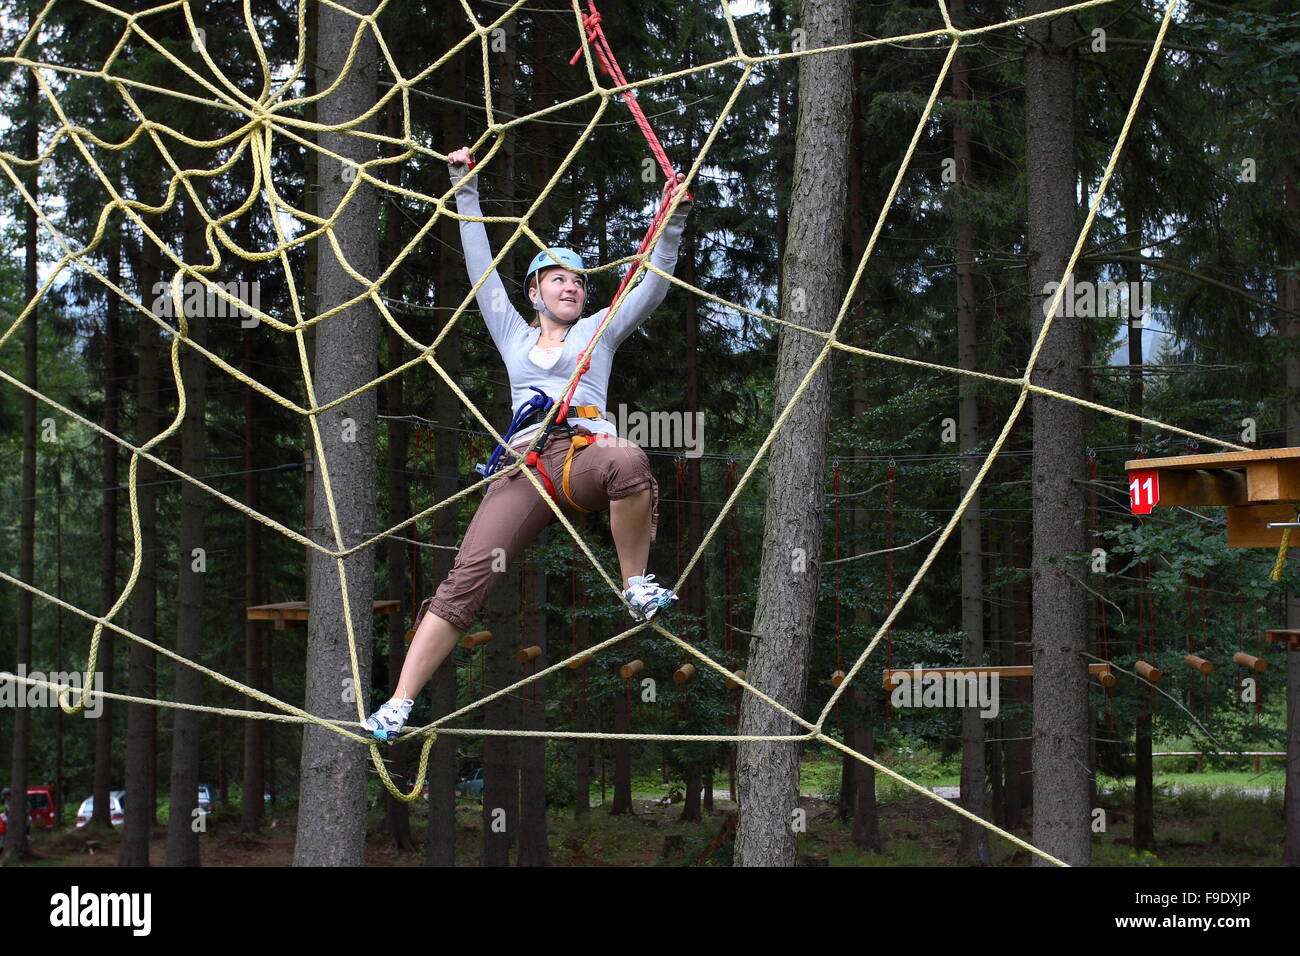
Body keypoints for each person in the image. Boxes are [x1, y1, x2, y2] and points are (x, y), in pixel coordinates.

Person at [362, 146, 694, 741]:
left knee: (628, 459)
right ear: (536, 294)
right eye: (557, 279)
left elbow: (655, 282)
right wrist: (464, 188)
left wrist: (673, 223)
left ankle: (636, 585)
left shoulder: (601, 330)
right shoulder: (512, 333)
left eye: (577, 281)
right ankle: (399, 703)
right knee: (466, 579)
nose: (571, 286)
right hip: (525, 465)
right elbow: (481, 270)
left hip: (583, 455)